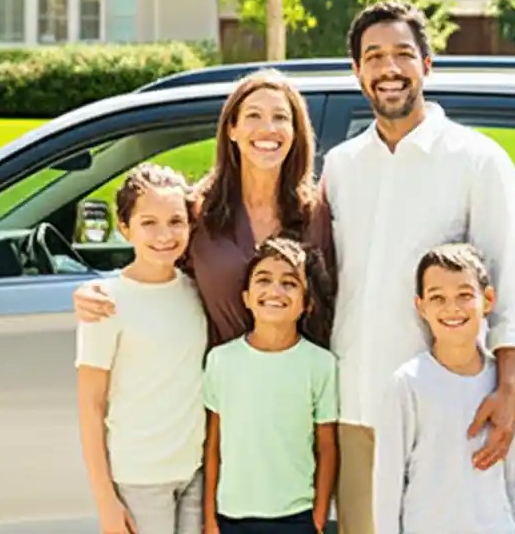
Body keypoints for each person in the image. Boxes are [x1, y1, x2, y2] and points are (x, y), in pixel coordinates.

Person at [320, 0, 515, 534]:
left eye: (402, 54)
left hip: (449, 410)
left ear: (427, 64)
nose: (388, 69)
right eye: (374, 57)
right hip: (360, 406)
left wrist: (508, 389)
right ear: (356, 71)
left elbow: (510, 283)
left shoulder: (477, 160)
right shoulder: (341, 166)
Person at [72, 68, 337, 351]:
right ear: (231, 129)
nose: (268, 128)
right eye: (254, 115)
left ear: (295, 132)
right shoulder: (199, 210)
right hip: (212, 386)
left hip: (296, 386)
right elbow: (154, 270)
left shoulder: (315, 213)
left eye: (281, 117)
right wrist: (99, 291)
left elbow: (333, 305)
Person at [76, 163, 209, 534]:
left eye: (176, 221)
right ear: (124, 228)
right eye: (148, 222)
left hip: (194, 472)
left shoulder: (195, 290)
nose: (164, 234)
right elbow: (90, 405)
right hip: (139, 478)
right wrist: (106, 503)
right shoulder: (106, 302)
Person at [373, 243, 515, 534]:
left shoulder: (503, 386)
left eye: (464, 295)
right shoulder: (407, 384)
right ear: (421, 306)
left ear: (487, 300)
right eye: (437, 298)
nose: (452, 308)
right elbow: (388, 483)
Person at [203, 235, 338, 534]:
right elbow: (213, 444)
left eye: (289, 283)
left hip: (296, 517)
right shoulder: (221, 361)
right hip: (231, 516)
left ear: (307, 303)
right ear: (246, 298)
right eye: (263, 280)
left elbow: (327, 446)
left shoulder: (320, 364)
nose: (275, 290)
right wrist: (210, 517)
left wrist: (317, 517)